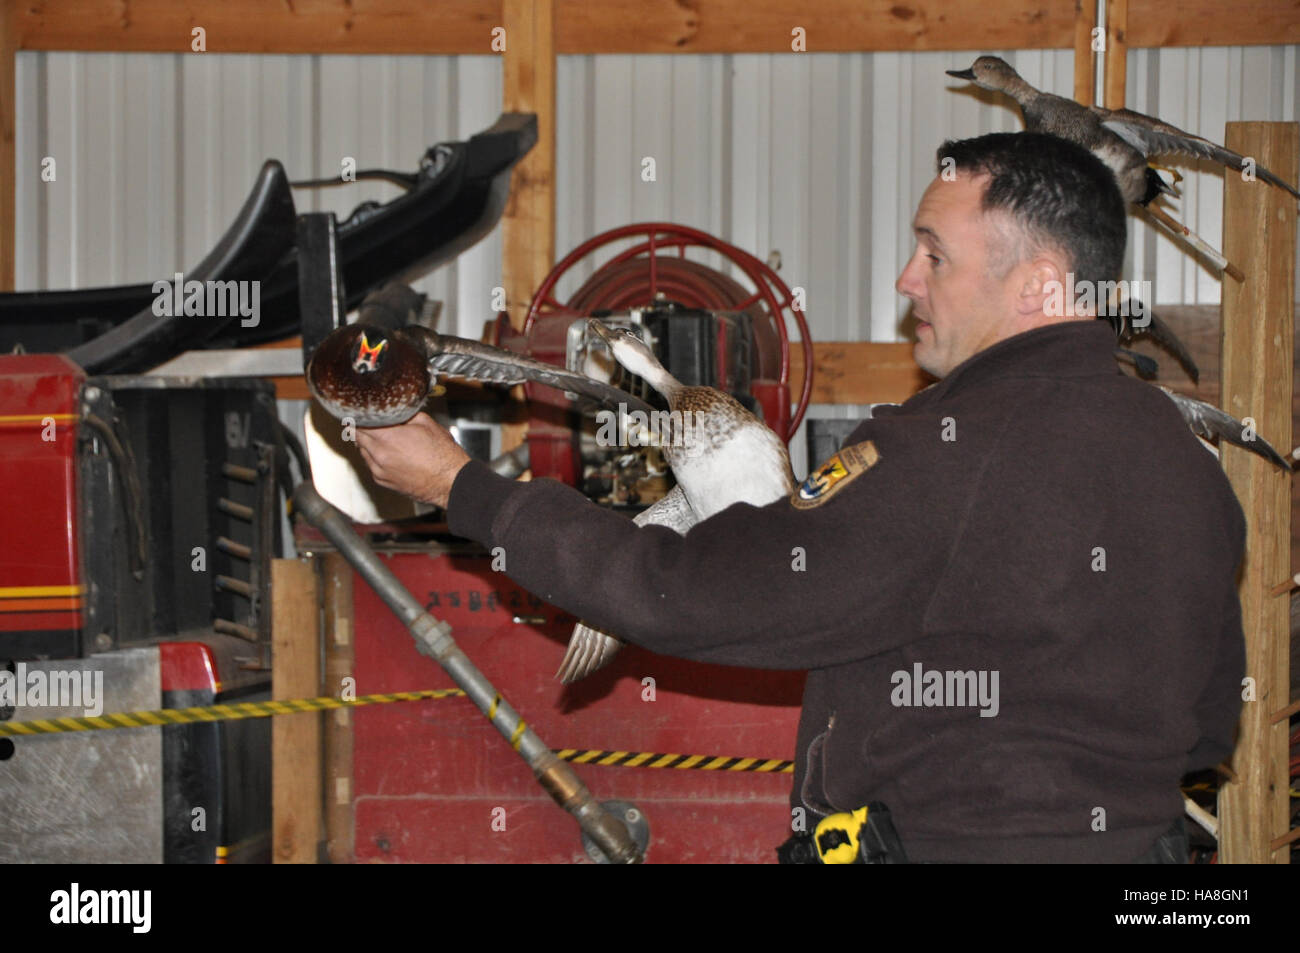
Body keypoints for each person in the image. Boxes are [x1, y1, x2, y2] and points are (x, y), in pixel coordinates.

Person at [354, 132, 1245, 863]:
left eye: (934, 254)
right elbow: (1208, 728)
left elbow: (687, 592)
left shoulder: (940, 453)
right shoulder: (1187, 463)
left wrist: (457, 485)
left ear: (1042, 283)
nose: (906, 279)